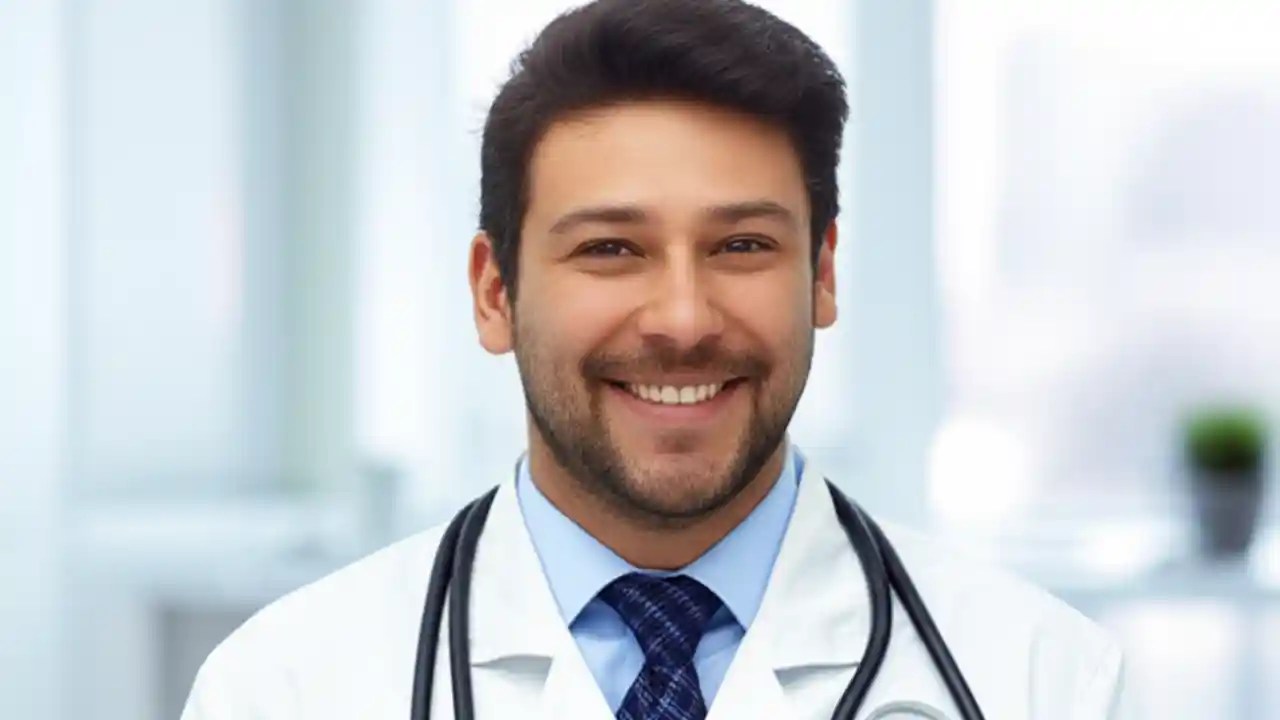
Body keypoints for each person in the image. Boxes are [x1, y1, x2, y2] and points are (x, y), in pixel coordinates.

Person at [181, 1, 1133, 718]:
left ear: (823, 275)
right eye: (610, 249)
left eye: (742, 247)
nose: (682, 319)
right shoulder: (286, 685)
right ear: (494, 290)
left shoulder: (1045, 681)